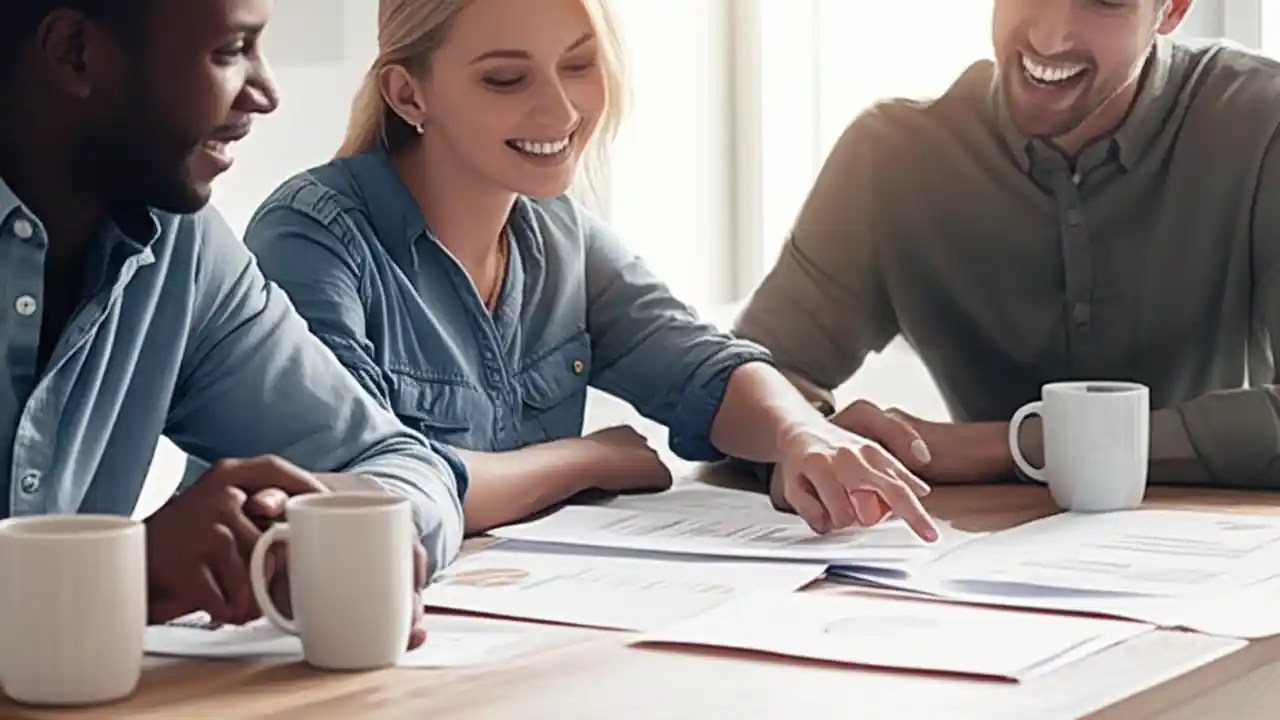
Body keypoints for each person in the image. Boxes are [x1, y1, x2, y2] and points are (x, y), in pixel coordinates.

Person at [239, 0, 940, 540]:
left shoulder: (559, 235)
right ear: (408, 95)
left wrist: (799, 434)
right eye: (506, 79)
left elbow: (701, 367)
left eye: (578, 64)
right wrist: (588, 460)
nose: (562, 108)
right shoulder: (313, 238)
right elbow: (364, 486)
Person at [0, 0, 470, 645]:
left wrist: (301, 523)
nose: (266, 94)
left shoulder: (180, 249)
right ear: (75, 52)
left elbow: (397, 461)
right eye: (230, 51)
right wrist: (118, 577)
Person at [736, 0, 1280, 495]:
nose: (1049, 34)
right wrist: (807, 442)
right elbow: (747, 380)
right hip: (961, 569)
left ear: (1172, 9)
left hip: (1215, 569)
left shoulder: (1260, 123)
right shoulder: (892, 158)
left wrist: (1002, 448)